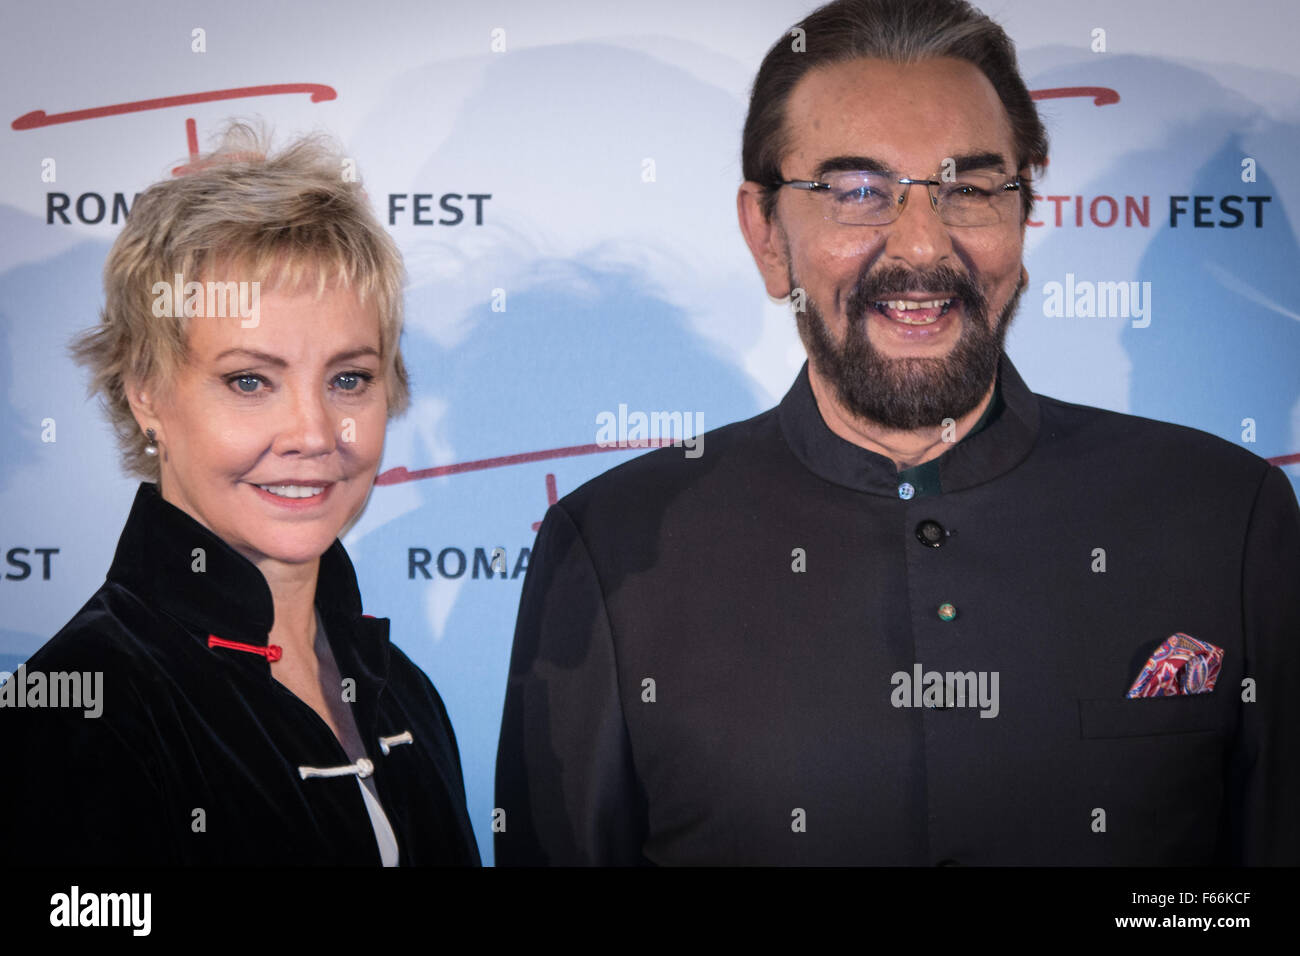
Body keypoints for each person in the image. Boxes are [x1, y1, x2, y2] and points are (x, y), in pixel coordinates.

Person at [494, 0, 1299, 865]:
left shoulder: (1226, 516)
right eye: (857, 193)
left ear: (1023, 214)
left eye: (969, 190)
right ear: (767, 235)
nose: (921, 247)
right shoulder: (609, 549)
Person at [0, 123, 480, 866]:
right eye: (250, 381)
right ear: (146, 393)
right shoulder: (80, 708)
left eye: (348, 378)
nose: (313, 432)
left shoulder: (401, 691)